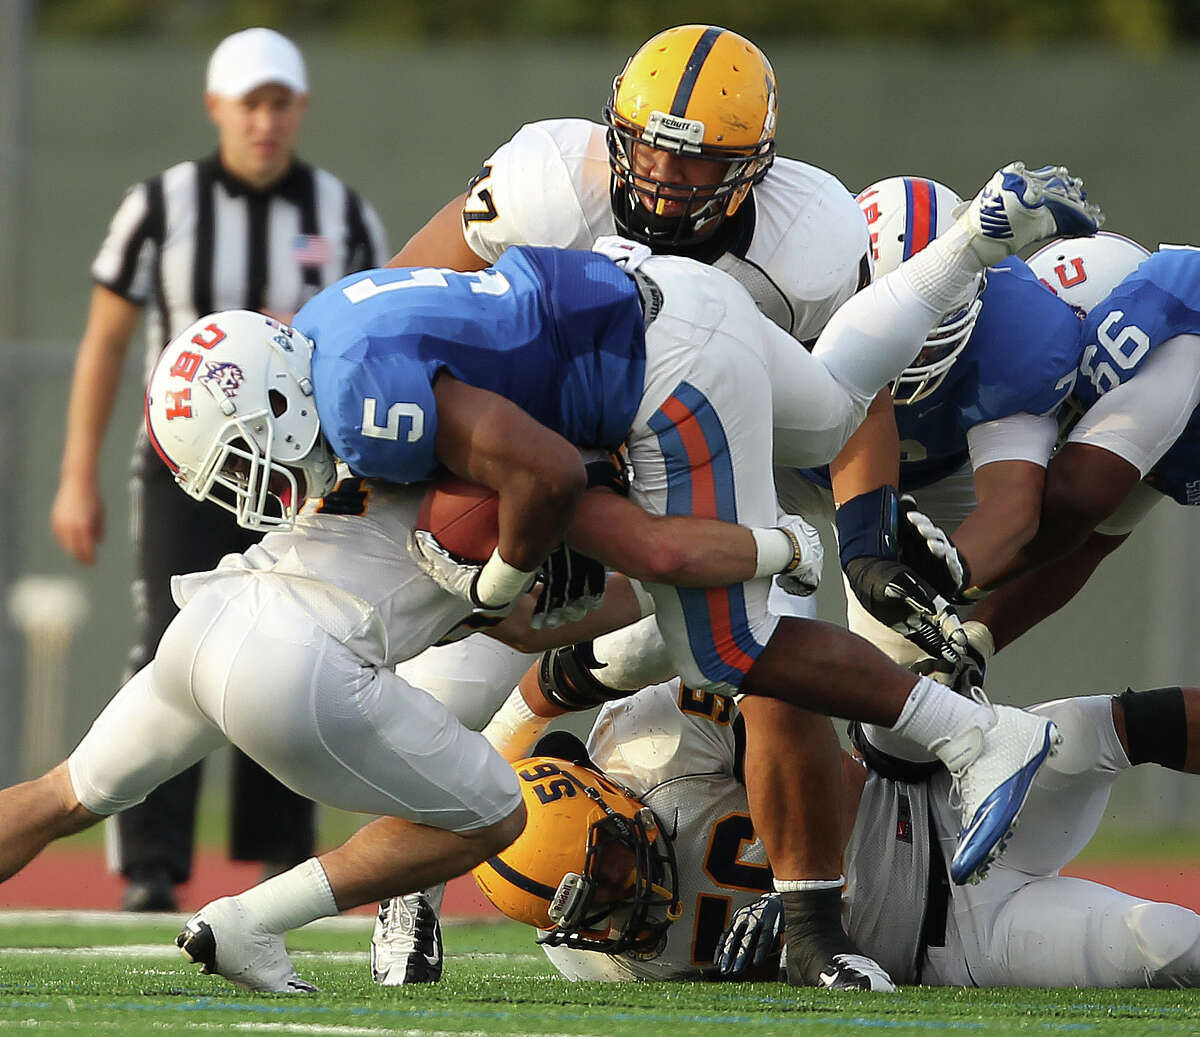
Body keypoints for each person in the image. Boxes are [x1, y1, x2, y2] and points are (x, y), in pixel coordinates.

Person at [0, 170, 1088, 993]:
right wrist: (764, 554)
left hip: (234, 611)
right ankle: (963, 253)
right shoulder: (366, 376)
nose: (264, 481)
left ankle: (966, 730)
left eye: (250, 458)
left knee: (724, 643)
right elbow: (596, 559)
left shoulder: (432, 424)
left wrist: (773, 550)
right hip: (651, 310)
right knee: (827, 419)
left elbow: (583, 507)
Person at [373, 25, 964, 985]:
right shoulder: (549, 180)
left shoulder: (808, 239)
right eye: (649, 147)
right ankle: (409, 893)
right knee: (450, 681)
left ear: (756, 169)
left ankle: (815, 920)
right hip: (544, 471)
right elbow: (407, 296)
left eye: (698, 164)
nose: (664, 176)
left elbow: (858, 395)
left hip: (706, 475)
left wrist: (867, 538)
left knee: (777, 666)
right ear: (615, 128)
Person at [48, 27, 389, 911]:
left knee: (296, 638)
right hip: (181, 465)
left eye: (280, 102)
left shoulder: (344, 215)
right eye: (250, 102)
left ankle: (279, 854)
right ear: (217, 107)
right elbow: (105, 344)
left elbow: (373, 339)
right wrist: (75, 474)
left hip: (303, 465)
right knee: (168, 642)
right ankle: (152, 866)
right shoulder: (160, 207)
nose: (265, 120)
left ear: (299, 108)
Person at [475, 680, 1200, 988]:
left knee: (1089, 730)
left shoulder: (652, 743)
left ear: (607, 792)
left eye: (614, 862)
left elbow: (787, 708)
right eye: (595, 902)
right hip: (954, 946)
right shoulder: (595, 963)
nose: (629, 889)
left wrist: (802, 887)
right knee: (1165, 940)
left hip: (934, 804)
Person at [772, 174, 1086, 771]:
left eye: (930, 313)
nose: (907, 346)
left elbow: (1010, 508)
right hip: (786, 464)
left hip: (925, 489)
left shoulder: (1020, 331)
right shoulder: (795, 287)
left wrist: (946, 578)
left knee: (907, 715)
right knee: (737, 659)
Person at [956, 234, 1200, 664]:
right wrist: (978, 637)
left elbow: (1076, 501)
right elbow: (1089, 543)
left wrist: (944, 577)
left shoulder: (1177, 323)